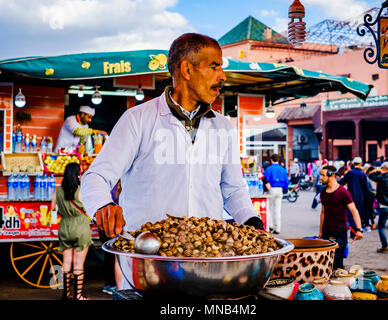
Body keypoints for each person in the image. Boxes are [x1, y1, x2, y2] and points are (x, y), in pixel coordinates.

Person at [80, 33, 264, 289]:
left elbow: (233, 189)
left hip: (206, 265)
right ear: (187, 69)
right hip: (147, 264)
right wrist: (103, 205)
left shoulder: (223, 126)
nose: (222, 76)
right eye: (214, 66)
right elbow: (96, 177)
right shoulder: (138, 119)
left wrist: (252, 221)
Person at [51, 162, 92, 300]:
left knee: (66, 263)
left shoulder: (58, 191)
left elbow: (52, 208)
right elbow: (90, 208)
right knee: (79, 264)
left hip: (64, 227)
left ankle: (66, 294)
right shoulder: (81, 190)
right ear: (77, 175)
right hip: (81, 227)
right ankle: (78, 296)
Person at [318, 165, 363, 270]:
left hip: (340, 231)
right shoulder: (323, 192)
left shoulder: (343, 191)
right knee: (326, 260)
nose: (320, 177)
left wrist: (359, 229)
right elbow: (323, 212)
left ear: (331, 175)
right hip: (326, 231)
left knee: (337, 261)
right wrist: (320, 232)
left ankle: (338, 281)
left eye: (322, 175)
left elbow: (354, 210)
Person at [339, 157, 369, 232]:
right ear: (361, 163)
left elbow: (341, 182)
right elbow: (366, 187)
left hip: (351, 196)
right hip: (361, 196)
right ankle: (358, 229)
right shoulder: (363, 174)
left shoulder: (350, 172)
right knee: (358, 213)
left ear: (353, 163)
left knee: (350, 214)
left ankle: (354, 230)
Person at [369, 161, 388, 253]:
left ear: (384, 169)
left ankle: (385, 245)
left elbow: (370, 176)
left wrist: (378, 171)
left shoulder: (381, 178)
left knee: (381, 226)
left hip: (385, 206)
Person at [263, 154, 289, 234]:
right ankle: (277, 228)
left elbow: (265, 179)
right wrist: (284, 189)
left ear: (271, 160)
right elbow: (286, 182)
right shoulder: (283, 169)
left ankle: (270, 225)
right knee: (277, 210)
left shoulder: (269, 169)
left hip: (271, 189)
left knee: (267, 208)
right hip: (280, 190)